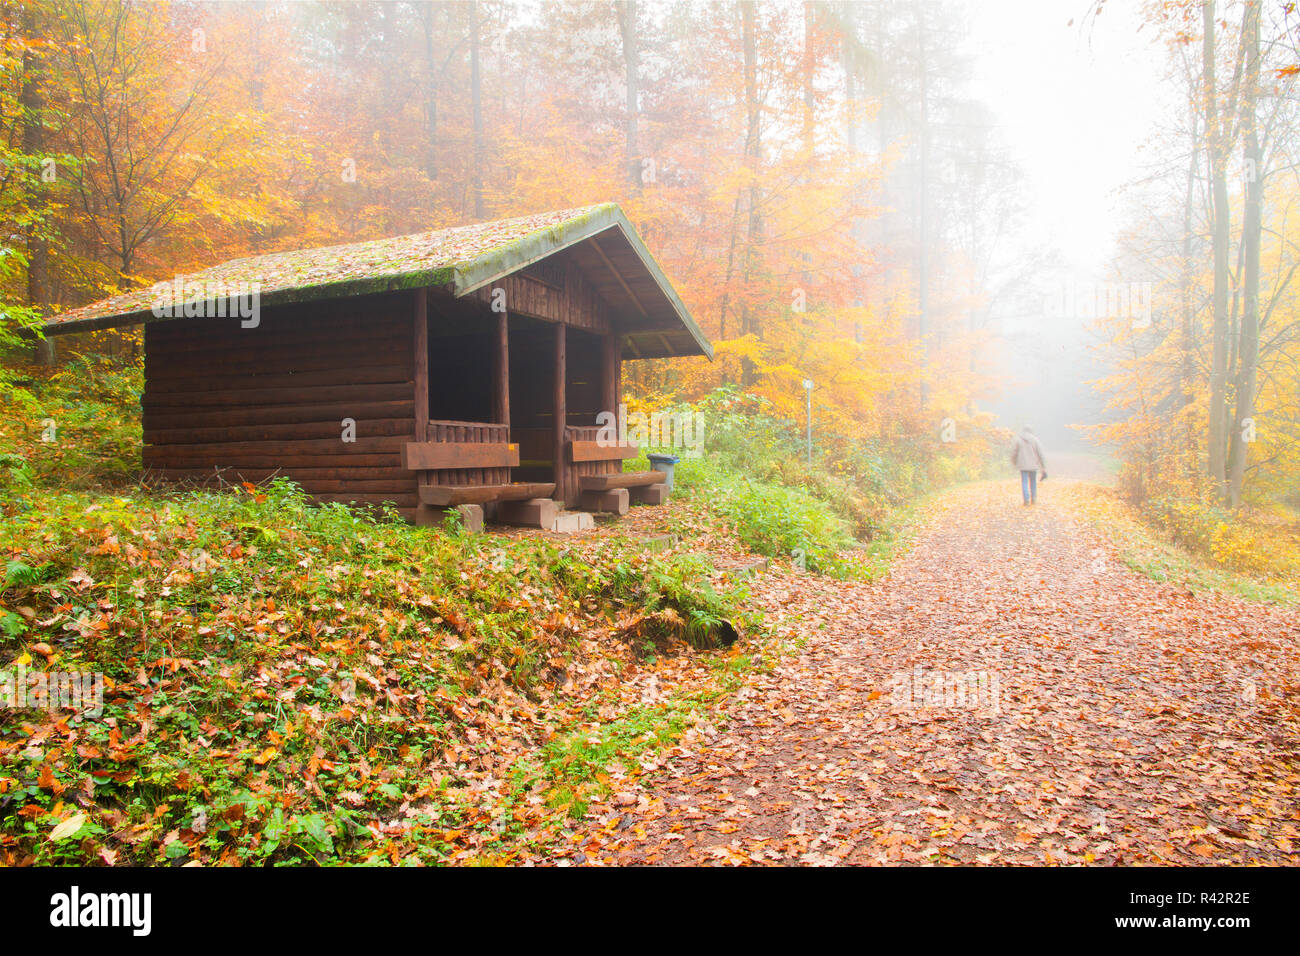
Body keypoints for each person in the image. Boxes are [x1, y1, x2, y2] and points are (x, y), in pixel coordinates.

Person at [1010, 426, 1047, 505]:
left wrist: (1014, 462)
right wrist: (1043, 466)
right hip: (1033, 465)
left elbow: (1014, 452)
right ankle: (1033, 498)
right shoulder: (1035, 440)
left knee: (1024, 482)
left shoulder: (1018, 440)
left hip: (1023, 465)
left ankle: (1026, 499)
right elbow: (1040, 453)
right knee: (1033, 481)